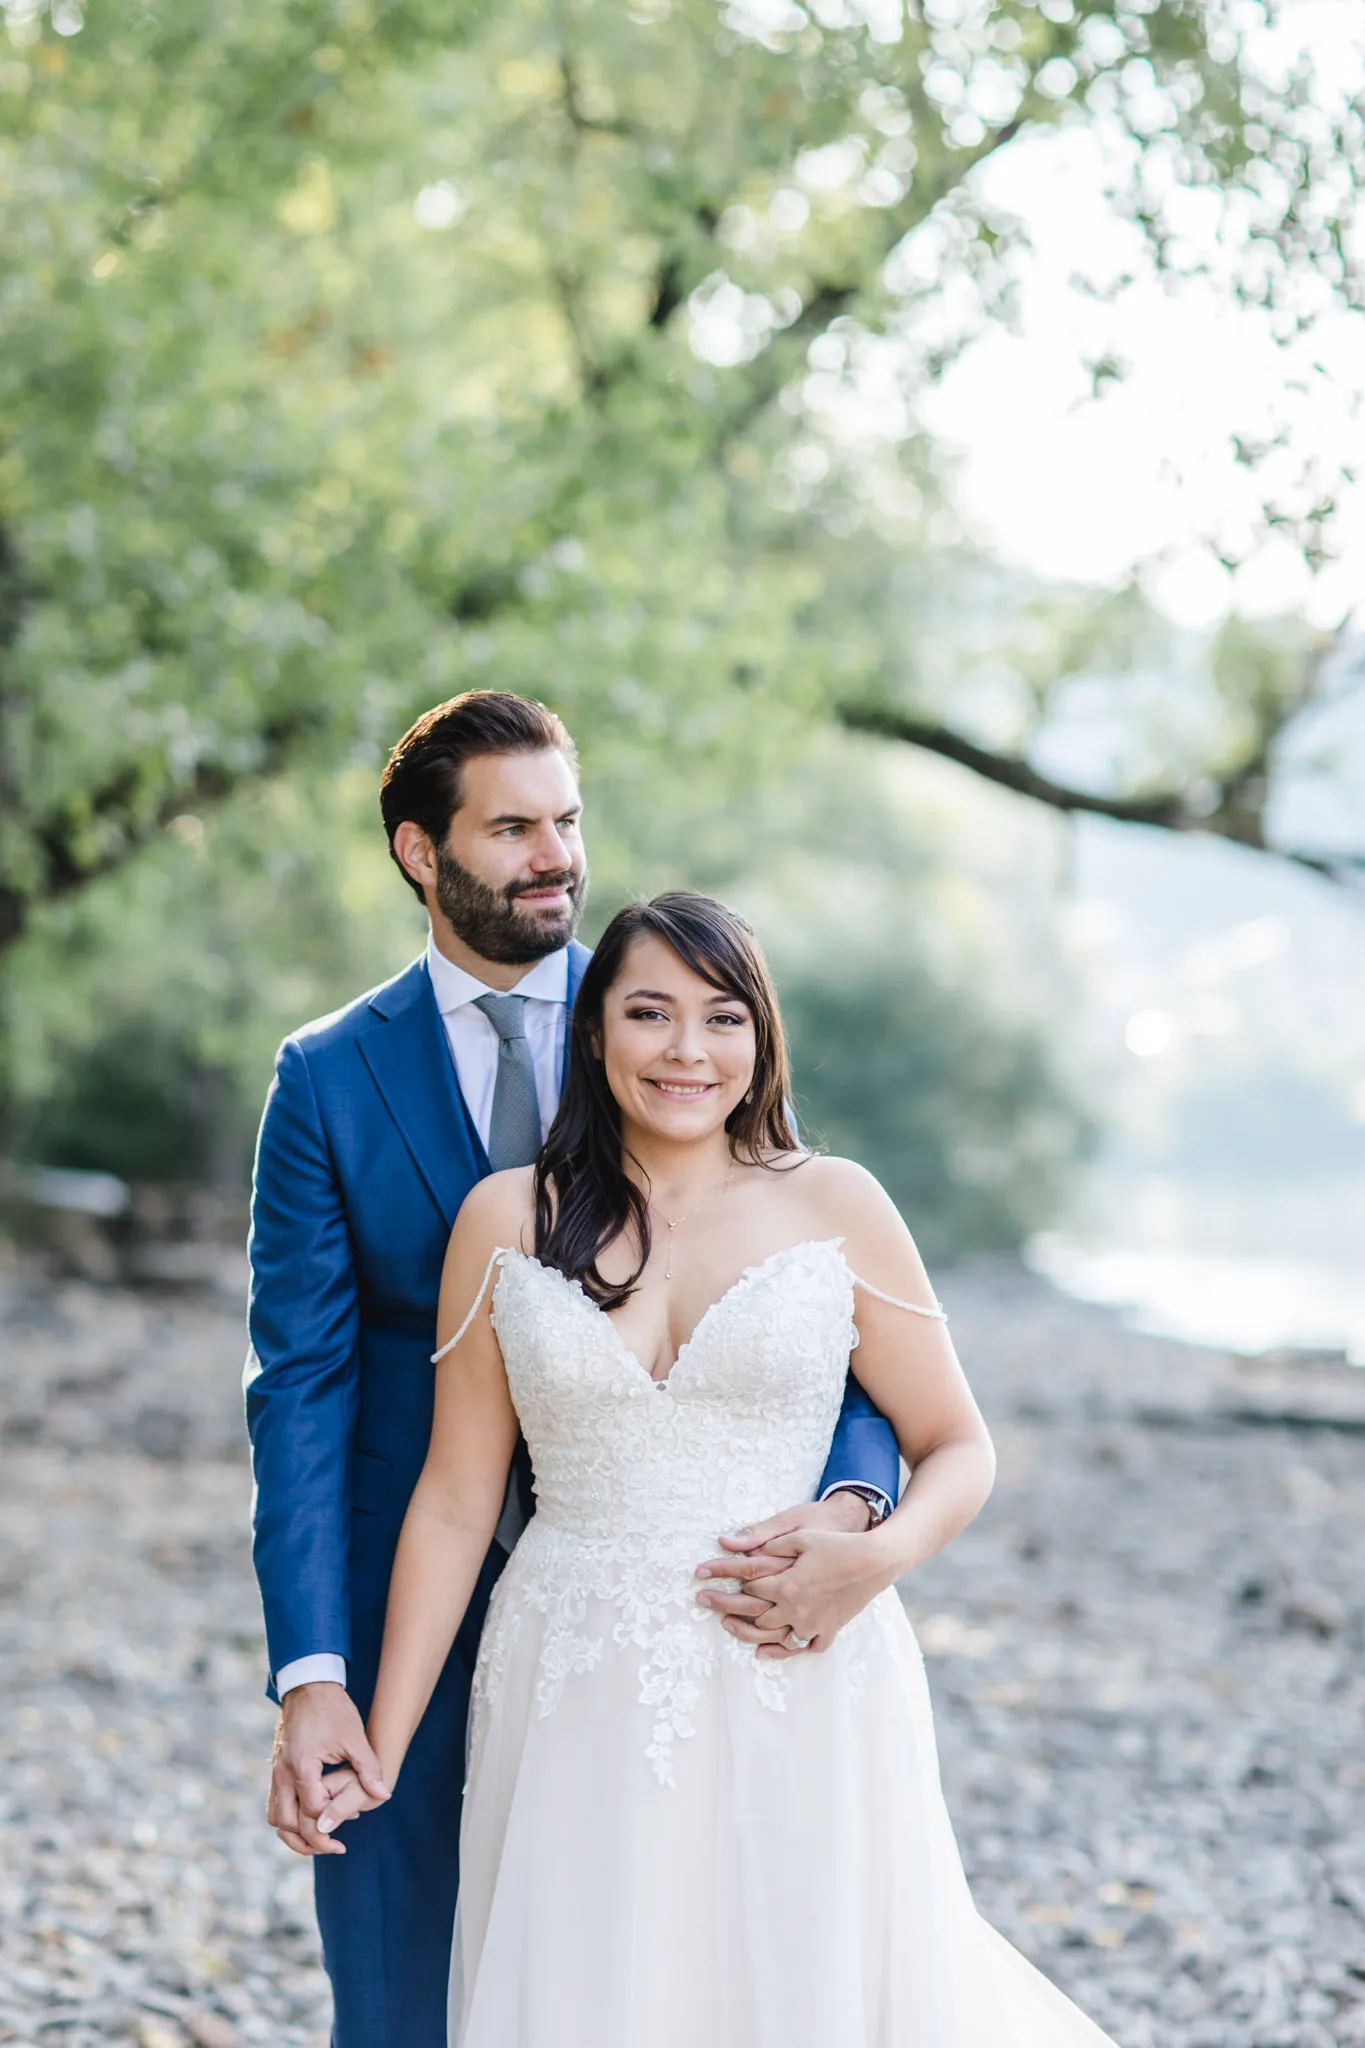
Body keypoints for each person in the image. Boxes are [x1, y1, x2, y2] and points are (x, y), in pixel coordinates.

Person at [317, 890, 1121, 2047]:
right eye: (650, 1012)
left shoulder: (837, 1202)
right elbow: (453, 1501)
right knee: (593, 1990)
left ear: (761, 1034)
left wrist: (876, 1557)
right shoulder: (504, 1219)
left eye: (722, 1016)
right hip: (569, 1674)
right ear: (594, 1029)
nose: (687, 1049)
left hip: (801, 1665)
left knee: (801, 1987)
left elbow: (959, 1443)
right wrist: (383, 1741)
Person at [244, 696, 902, 2048]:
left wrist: (850, 1513)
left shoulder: (681, 1020)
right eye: (512, 828)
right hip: (408, 1594)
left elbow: (817, 1317)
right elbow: (298, 1386)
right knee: (398, 1989)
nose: (555, 856)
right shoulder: (324, 1078)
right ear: (421, 851)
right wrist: (313, 1669)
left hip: (701, 1605)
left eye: (567, 820)